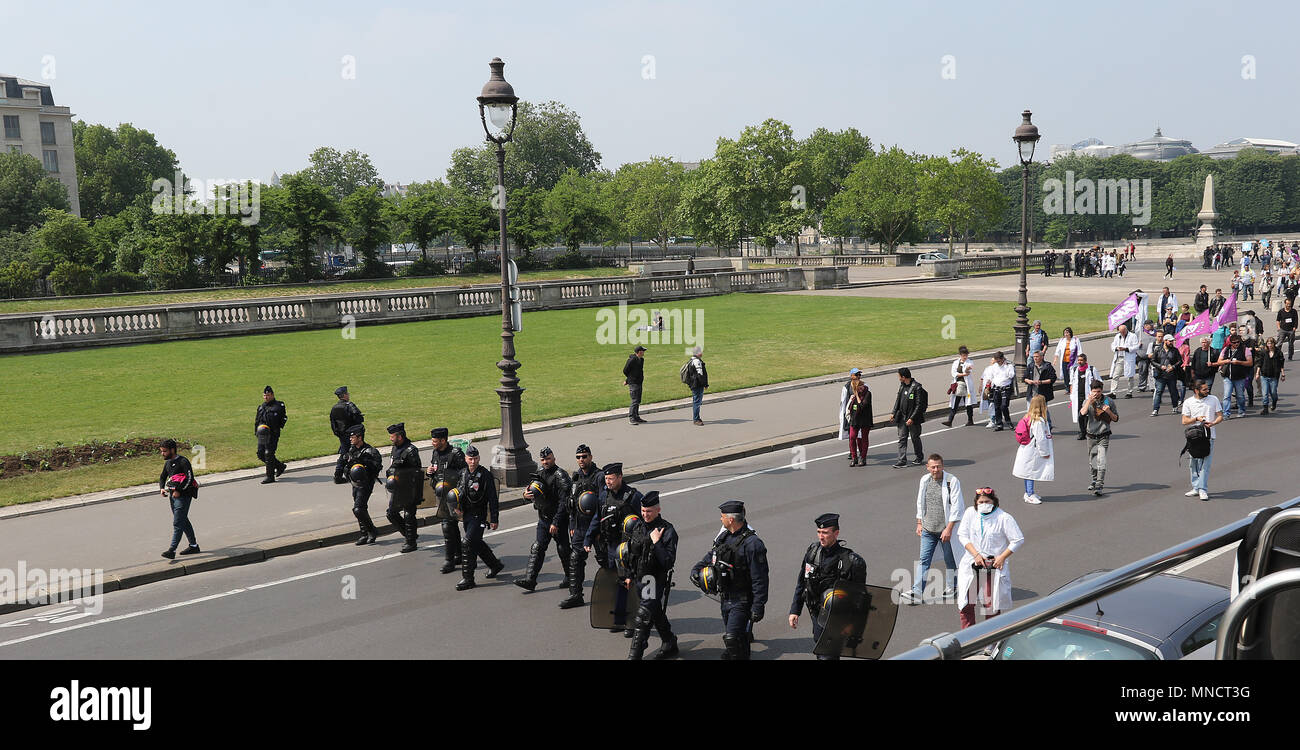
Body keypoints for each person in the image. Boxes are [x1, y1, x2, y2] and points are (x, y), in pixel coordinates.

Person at [691, 500, 769, 660]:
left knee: (732, 639)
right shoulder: (724, 538)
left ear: (731, 519)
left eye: (722, 517)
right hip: (725, 598)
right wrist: (696, 570)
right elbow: (710, 556)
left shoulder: (753, 544)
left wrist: (758, 606)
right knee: (739, 639)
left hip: (742, 600)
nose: (720, 519)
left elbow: (760, 578)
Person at [789, 513, 867, 660]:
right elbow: (802, 582)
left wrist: (853, 625)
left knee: (827, 655)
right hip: (817, 614)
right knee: (821, 652)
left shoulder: (851, 561)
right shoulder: (812, 552)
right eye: (819, 532)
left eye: (825, 532)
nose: (821, 536)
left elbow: (860, 598)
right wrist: (795, 610)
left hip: (838, 617)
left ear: (836, 533)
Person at [583, 462, 644, 633]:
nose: (608, 482)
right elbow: (597, 518)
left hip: (628, 549)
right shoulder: (603, 496)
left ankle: (632, 623)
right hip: (610, 548)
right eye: (606, 479)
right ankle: (619, 620)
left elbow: (645, 519)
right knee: (615, 584)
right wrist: (588, 539)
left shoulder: (633, 496)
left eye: (611, 478)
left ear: (620, 477)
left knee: (628, 584)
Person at [622, 491, 679, 660]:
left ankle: (635, 656)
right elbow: (631, 554)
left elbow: (668, 562)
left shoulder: (667, 530)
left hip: (653, 580)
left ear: (658, 510)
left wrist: (657, 542)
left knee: (642, 619)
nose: (645, 514)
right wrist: (628, 575)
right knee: (655, 613)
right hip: (639, 578)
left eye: (649, 511)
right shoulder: (638, 526)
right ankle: (669, 642)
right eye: (643, 511)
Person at [955, 488, 1024, 629]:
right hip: (973, 565)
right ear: (976, 503)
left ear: (994, 501)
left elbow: (1017, 539)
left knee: (990, 605)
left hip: (992, 567)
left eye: (987, 501)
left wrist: (1002, 557)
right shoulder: (970, 513)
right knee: (967, 603)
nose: (984, 504)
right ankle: (968, 638)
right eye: (981, 502)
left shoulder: (1004, 518)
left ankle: (991, 642)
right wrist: (975, 554)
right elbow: (962, 535)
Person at [901, 455, 963, 604]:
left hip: (945, 530)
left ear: (943, 466)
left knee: (950, 559)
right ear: (927, 467)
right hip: (928, 529)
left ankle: (952, 586)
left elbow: (957, 507)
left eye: (938, 466)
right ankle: (917, 592)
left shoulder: (951, 481)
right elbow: (920, 502)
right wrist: (919, 523)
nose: (935, 470)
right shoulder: (925, 480)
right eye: (932, 467)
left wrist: (949, 529)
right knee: (924, 560)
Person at [516, 447, 573, 592]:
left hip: (558, 519)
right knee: (538, 547)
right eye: (543, 459)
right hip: (543, 518)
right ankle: (530, 580)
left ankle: (571, 578)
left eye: (548, 459)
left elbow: (564, 501)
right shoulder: (539, 473)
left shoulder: (561, 475)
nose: (545, 462)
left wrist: (556, 522)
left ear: (554, 458)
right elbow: (532, 490)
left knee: (563, 549)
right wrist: (525, 494)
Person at [555, 444, 603, 609]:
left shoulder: (600, 477)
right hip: (580, 526)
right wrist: (572, 525)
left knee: (605, 561)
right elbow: (572, 504)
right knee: (575, 560)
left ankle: (615, 592)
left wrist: (596, 530)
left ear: (591, 457)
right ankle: (575, 595)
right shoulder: (576, 478)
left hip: (598, 527)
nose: (581, 460)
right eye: (578, 457)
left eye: (584, 456)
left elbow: (603, 504)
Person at [454, 445, 502, 591]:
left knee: (467, 542)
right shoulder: (462, 473)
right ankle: (495, 565)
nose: (473, 461)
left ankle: (468, 579)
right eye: (470, 459)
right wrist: (456, 507)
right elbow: (458, 492)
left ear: (479, 458)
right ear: (465, 459)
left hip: (479, 515)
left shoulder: (485, 475)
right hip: (467, 515)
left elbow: (493, 498)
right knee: (476, 542)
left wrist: (494, 518)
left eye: (475, 458)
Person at [425, 427, 468, 573]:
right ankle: (458, 554)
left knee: (447, 526)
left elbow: (465, 474)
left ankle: (449, 560)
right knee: (451, 526)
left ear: (443, 440)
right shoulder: (435, 452)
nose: (433, 443)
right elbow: (435, 469)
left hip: (453, 496)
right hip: (441, 495)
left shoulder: (455, 454)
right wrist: (430, 472)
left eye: (435, 441)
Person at [1181, 380, 1224, 501]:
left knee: (1205, 463)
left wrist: (1213, 423)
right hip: (1193, 437)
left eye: (1207, 389)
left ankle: (1203, 489)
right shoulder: (1188, 402)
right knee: (1193, 463)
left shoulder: (1213, 399)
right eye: (1204, 389)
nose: (1207, 391)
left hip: (1209, 436)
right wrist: (1196, 419)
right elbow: (1184, 421)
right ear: (1196, 390)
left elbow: (1220, 416)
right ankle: (1195, 487)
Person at [157, 439, 200, 559]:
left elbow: (190, 479)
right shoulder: (168, 463)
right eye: (161, 451)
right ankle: (194, 546)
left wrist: (178, 490)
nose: (162, 454)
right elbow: (162, 477)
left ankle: (172, 550)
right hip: (173, 496)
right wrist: (162, 488)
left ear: (172, 450)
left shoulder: (183, 461)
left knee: (178, 522)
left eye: (164, 451)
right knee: (183, 521)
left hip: (184, 496)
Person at [384, 423, 422, 554]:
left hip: (409, 488)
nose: (390, 439)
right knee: (391, 513)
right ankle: (409, 534)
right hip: (397, 488)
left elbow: (417, 471)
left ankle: (411, 542)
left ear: (400, 437)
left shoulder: (411, 451)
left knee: (409, 514)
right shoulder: (395, 449)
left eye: (392, 436)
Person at [343, 425, 382, 545]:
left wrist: (365, 464)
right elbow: (346, 465)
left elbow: (377, 467)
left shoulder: (370, 451)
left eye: (353, 437)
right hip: (355, 483)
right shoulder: (352, 449)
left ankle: (372, 531)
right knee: (360, 508)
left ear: (360, 437)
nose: (350, 439)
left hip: (366, 483)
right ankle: (364, 534)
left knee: (358, 509)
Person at [1013, 395, 1054, 505]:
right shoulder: (1038, 421)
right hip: (1033, 450)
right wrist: (1045, 453)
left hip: (1026, 448)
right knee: (1031, 472)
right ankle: (1030, 494)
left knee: (1028, 471)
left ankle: (1028, 492)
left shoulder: (1028, 416)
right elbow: (1040, 438)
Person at [1080, 381, 1118, 496]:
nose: (1096, 394)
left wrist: (1108, 411)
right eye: (1094, 391)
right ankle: (1094, 479)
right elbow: (1082, 413)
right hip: (1091, 435)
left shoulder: (1108, 401)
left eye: (1099, 391)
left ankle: (1099, 485)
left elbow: (1116, 418)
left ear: (1102, 391)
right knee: (1092, 461)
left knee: (1101, 461)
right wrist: (1088, 402)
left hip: (1103, 435)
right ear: (1091, 391)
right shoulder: (1087, 401)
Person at [886, 367, 927, 467]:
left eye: (899, 376)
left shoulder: (917, 387)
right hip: (902, 417)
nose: (898, 378)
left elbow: (919, 405)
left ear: (903, 377)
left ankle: (919, 456)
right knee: (902, 439)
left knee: (915, 438)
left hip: (912, 419)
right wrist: (893, 413)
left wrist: (912, 418)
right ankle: (902, 460)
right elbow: (898, 400)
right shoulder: (902, 386)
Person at [329, 386, 364, 484]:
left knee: (344, 453)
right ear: (344, 395)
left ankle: (338, 475)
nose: (348, 395)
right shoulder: (349, 405)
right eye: (347, 394)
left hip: (341, 434)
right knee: (358, 451)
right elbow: (358, 418)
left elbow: (333, 422)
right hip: (352, 434)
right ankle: (359, 474)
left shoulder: (334, 408)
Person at [1214, 333, 1253, 418]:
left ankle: (1241, 410)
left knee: (1240, 396)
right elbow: (1219, 362)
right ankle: (1226, 414)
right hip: (1228, 377)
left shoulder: (1244, 349)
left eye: (1238, 342)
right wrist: (1225, 361)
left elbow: (1250, 362)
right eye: (1234, 342)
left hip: (1240, 377)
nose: (1236, 344)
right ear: (1230, 343)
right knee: (1226, 396)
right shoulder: (1225, 350)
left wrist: (1239, 362)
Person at [254, 385, 288, 484]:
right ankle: (280, 466)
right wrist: (256, 432)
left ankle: (270, 477)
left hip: (273, 434)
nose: (266, 397)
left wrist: (278, 428)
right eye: (264, 395)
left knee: (269, 454)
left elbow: (284, 418)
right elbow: (257, 421)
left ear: (272, 395)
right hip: (262, 434)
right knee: (260, 454)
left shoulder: (278, 406)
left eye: (268, 395)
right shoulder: (261, 407)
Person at [1067, 353, 1100, 442]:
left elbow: (1099, 382)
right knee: (1080, 415)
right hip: (1077, 397)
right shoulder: (1074, 370)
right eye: (1078, 360)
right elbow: (1071, 383)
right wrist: (1071, 395)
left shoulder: (1092, 370)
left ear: (1085, 361)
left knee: (1089, 415)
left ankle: (1089, 431)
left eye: (1081, 360)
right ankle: (1082, 432)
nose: (1079, 362)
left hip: (1088, 397)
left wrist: (1095, 394)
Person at [942, 346, 977, 427]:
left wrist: (967, 370)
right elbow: (953, 373)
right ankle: (950, 420)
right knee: (955, 403)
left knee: (968, 404)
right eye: (963, 355)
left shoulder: (969, 362)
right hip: (958, 385)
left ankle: (970, 420)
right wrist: (963, 374)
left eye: (966, 355)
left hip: (966, 386)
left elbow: (968, 372)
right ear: (960, 355)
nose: (965, 357)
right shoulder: (955, 362)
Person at [1150, 333, 1184, 416]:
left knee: (1173, 391)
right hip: (1160, 374)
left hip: (1171, 375)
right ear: (1165, 341)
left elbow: (1180, 361)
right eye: (1170, 341)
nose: (1172, 342)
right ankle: (1155, 409)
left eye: (1172, 341)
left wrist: (1173, 367)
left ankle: (1175, 407)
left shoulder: (1175, 350)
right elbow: (1153, 361)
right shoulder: (1158, 350)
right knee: (1158, 391)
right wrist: (1160, 366)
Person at [1023, 349, 1057, 429]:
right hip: (1032, 392)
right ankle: (1032, 426)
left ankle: (1048, 425)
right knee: (1030, 410)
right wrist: (1029, 381)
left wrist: (1041, 382)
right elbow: (1024, 378)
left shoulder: (1047, 366)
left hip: (1043, 393)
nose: (1035, 358)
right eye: (1034, 357)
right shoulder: (1031, 366)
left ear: (1042, 357)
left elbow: (1052, 379)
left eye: (1037, 357)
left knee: (1043, 410)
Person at [983, 352, 1016, 432]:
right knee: (997, 407)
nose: (998, 362)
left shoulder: (1008, 366)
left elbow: (1011, 375)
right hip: (996, 388)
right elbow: (990, 377)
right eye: (997, 361)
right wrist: (987, 387)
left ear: (1002, 359)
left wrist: (1007, 368)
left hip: (1006, 388)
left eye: (999, 361)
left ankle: (1008, 421)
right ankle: (999, 424)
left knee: (1004, 406)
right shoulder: (994, 367)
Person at [845, 379, 872, 466]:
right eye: (858, 388)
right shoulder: (853, 396)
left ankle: (863, 458)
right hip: (855, 420)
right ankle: (854, 457)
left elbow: (862, 406)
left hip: (865, 420)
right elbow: (849, 408)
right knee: (852, 437)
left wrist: (856, 396)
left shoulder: (867, 393)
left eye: (861, 386)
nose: (861, 388)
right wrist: (852, 399)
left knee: (864, 439)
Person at [1255, 337, 1285, 415]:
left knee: (1273, 392)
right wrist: (1257, 373)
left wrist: (1283, 374)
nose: (1269, 345)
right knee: (1265, 393)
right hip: (1264, 375)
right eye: (1268, 343)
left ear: (1274, 344)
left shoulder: (1278, 352)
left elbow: (1281, 363)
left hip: (1274, 376)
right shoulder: (1264, 352)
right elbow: (1260, 363)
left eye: (1271, 343)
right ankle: (1265, 408)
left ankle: (1274, 401)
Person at [1109, 324, 1139, 397]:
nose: (1122, 333)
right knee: (1115, 375)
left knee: (1130, 376)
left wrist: (1126, 349)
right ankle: (1113, 392)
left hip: (1128, 358)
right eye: (1120, 332)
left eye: (1123, 332)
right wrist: (1116, 348)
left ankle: (1129, 392)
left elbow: (1136, 347)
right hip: (1120, 358)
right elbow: (1113, 345)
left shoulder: (1133, 336)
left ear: (1126, 330)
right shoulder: (1117, 336)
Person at [838, 368, 863, 446]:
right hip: (851, 414)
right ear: (851, 376)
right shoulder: (846, 387)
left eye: (859, 375)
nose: (858, 376)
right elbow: (843, 402)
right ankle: (852, 452)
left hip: (860, 413)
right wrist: (844, 414)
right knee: (851, 435)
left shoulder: (863, 385)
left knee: (860, 434)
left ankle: (861, 450)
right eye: (856, 375)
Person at [623, 345, 647, 425]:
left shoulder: (641, 360)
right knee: (634, 400)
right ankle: (631, 418)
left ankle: (636, 417)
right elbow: (625, 370)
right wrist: (629, 379)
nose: (644, 352)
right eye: (643, 351)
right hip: (633, 383)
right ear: (639, 352)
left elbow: (638, 371)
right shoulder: (632, 360)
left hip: (639, 382)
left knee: (638, 400)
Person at [685, 346, 708, 425]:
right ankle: (696, 419)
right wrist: (705, 384)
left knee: (697, 402)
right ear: (698, 353)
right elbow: (700, 374)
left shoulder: (692, 360)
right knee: (697, 402)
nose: (702, 353)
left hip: (694, 384)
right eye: (701, 351)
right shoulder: (697, 362)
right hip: (697, 385)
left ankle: (697, 418)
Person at [1134, 320, 1157, 392]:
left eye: (1152, 324)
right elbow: (1133, 343)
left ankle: (1152, 387)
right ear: (1145, 326)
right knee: (1142, 372)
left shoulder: (1155, 333)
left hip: (1152, 356)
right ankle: (1142, 386)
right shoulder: (1139, 334)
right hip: (1142, 356)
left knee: (1152, 372)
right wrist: (1138, 345)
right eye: (1150, 324)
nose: (1152, 326)